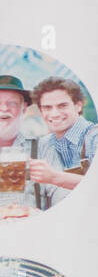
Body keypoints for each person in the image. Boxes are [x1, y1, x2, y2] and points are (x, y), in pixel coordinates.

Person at [27, 77, 98, 206]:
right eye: (47, 107)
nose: (54, 114)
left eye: (62, 106)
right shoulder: (43, 144)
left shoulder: (95, 138)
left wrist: (54, 177)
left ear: (78, 105)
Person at [0, 75, 45, 210]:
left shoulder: (41, 149)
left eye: (12, 103)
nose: (3, 109)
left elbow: (62, 198)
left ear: (24, 108)